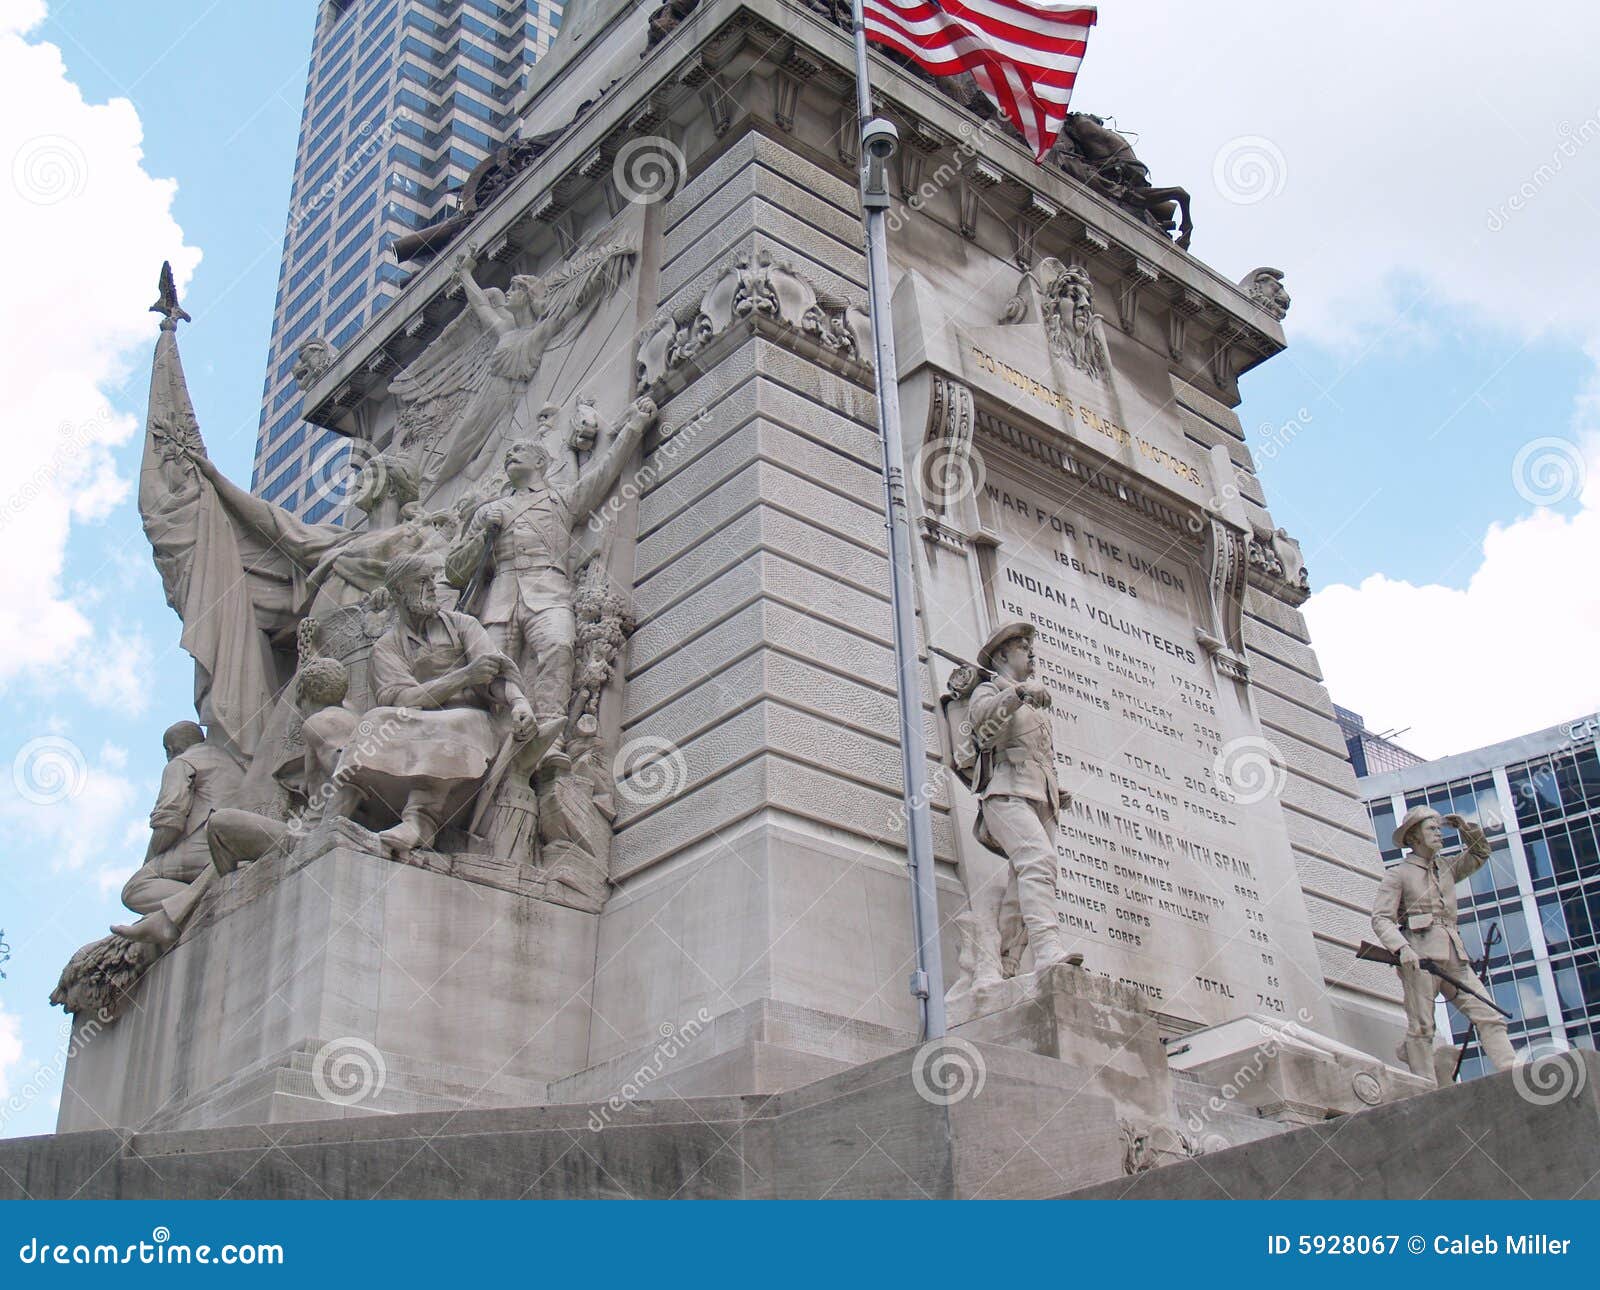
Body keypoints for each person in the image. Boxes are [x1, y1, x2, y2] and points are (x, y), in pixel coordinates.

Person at [448, 396, 656, 768]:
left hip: (549, 591)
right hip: (501, 597)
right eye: (508, 455)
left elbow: (605, 471)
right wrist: (481, 538)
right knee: (489, 671)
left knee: (559, 648)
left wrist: (635, 426)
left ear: (541, 462)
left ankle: (549, 735)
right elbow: (455, 571)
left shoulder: (562, 501)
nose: (510, 457)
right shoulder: (487, 511)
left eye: (518, 453)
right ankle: (497, 742)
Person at [358, 552, 535, 856]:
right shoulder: (386, 647)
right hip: (416, 724)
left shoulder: (462, 624)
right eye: (422, 581)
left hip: (473, 722)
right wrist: (464, 676)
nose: (432, 587)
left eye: (432, 579)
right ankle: (347, 808)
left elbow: (494, 672)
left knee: (455, 724)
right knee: (373, 721)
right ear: (399, 591)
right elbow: (402, 699)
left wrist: (519, 702)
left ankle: (420, 822)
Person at [966, 621, 1084, 974]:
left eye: (1031, 648)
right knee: (1038, 861)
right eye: (1023, 648)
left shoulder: (1033, 703)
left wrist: (1054, 789)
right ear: (1002, 655)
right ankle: (1047, 949)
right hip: (1006, 794)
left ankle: (1007, 963)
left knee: (1022, 883)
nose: (1031, 654)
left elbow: (1037, 754)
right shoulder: (989, 691)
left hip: (1039, 799)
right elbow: (984, 732)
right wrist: (1018, 694)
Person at [1371, 805, 1518, 1081]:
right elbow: (1381, 918)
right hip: (1420, 959)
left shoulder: (1447, 867)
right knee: (1423, 1027)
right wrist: (1402, 948)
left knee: (1489, 1014)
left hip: (1455, 957)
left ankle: (1511, 1071)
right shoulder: (1398, 874)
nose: (1439, 833)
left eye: (1439, 828)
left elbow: (1480, 852)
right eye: (1432, 829)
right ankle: (1425, 1085)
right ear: (1414, 836)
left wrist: (1465, 828)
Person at [111, 721, 243, 948]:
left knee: (134, 888)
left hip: (205, 845)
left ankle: (197, 906)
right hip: (236, 842)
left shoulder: (181, 763)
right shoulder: (231, 762)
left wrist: (148, 863)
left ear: (170, 750)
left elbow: (169, 822)